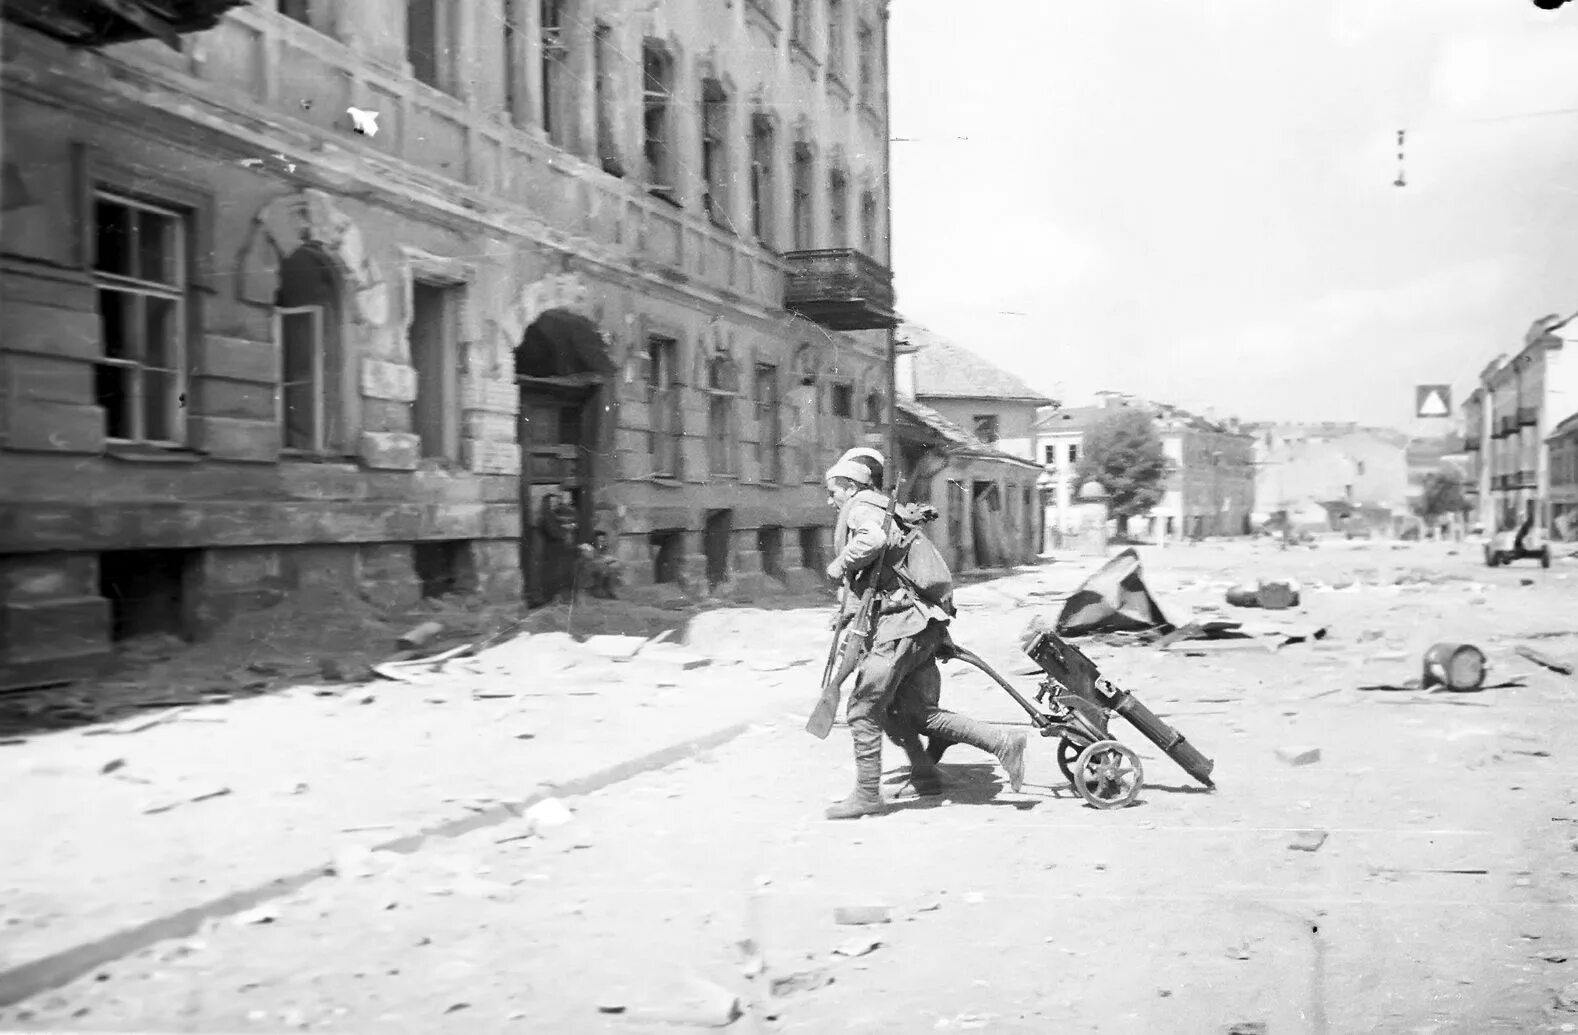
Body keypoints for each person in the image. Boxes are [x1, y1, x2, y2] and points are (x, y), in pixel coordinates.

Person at [821, 456, 1028, 820]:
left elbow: (874, 540)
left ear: (850, 487)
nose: (830, 500)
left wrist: (841, 562)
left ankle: (868, 794)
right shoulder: (883, 506)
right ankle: (948, 764)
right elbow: (885, 571)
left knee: (862, 709)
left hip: (901, 626)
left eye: (833, 491)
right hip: (918, 625)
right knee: (912, 712)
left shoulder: (860, 508)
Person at [579, 530, 623, 599]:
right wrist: (607, 560)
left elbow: (600, 558)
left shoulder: (601, 548)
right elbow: (590, 560)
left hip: (594, 570)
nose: (603, 543)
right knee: (606, 568)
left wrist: (610, 560)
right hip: (585, 574)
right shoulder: (587, 547)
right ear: (594, 540)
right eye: (601, 541)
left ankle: (608, 590)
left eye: (604, 541)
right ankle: (597, 590)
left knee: (613, 566)